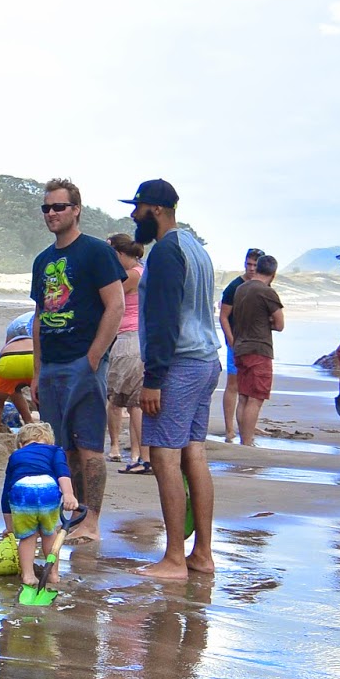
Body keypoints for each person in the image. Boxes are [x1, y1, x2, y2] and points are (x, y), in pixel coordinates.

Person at [125, 179, 219, 580]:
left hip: (178, 364)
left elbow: (163, 318)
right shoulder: (196, 248)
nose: (134, 215)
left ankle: (175, 559)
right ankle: (203, 555)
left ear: (158, 210)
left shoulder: (165, 252)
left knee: (164, 456)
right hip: (207, 360)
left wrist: (153, 378)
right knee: (193, 453)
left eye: (139, 207)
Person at [30, 178, 125, 543]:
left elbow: (115, 306)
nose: (52, 214)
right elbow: (40, 316)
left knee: (89, 447)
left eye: (59, 207)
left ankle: (92, 521)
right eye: (47, 208)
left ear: (76, 209)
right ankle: (73, 514)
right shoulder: (44, 260)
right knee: (61, 449)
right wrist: (37, 371)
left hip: (84, 362)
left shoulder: (96, 252)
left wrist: (93, 357)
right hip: (52, 366)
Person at [0, 422, 81, 592]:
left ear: (21, 444)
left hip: (21, 490)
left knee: (28, 537)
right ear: (49, 441)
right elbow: (62, 472)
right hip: (47, 489)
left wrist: (9, 525)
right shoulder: (55, 450)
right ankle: (53, 575)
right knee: (49, 533)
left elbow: (6, 490)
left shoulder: (16, 455)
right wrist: (68, 494)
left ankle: (28, 575)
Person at [230, 254, 284, 446]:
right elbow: (280, 324)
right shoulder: (267, 292)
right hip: (259, 348)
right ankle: (247, 441)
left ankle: (244, 439)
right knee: (256, 398)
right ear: (273, 273)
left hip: (240, 347)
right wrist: (268, 321)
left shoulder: (240, 288)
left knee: (243, 396)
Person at [106, 234, 148, 472]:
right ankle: (134, 453)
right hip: (137, 339)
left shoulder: (132, 275)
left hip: (127, 340)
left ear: (121, 255)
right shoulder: (142, 273)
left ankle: (122, 449)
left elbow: (109, 297)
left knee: (119, 400)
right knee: (132, 402)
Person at [217, 248, 265, 443]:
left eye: (255, 265)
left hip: (256, 345)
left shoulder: (264, 286)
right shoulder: (234, 286)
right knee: (233, 386)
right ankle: (229, 429)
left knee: (251, 390)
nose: (251, 268)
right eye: (248, 264)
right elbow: (223, 316)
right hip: (236, 343)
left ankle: (247, 427)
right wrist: (230, 340)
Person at [0, 310, 36, 434]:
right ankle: (43, 435)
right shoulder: (47, 318)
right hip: (33, 356)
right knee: (43, 401)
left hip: (8, 357)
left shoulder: (16, 324)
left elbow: (5, 350)